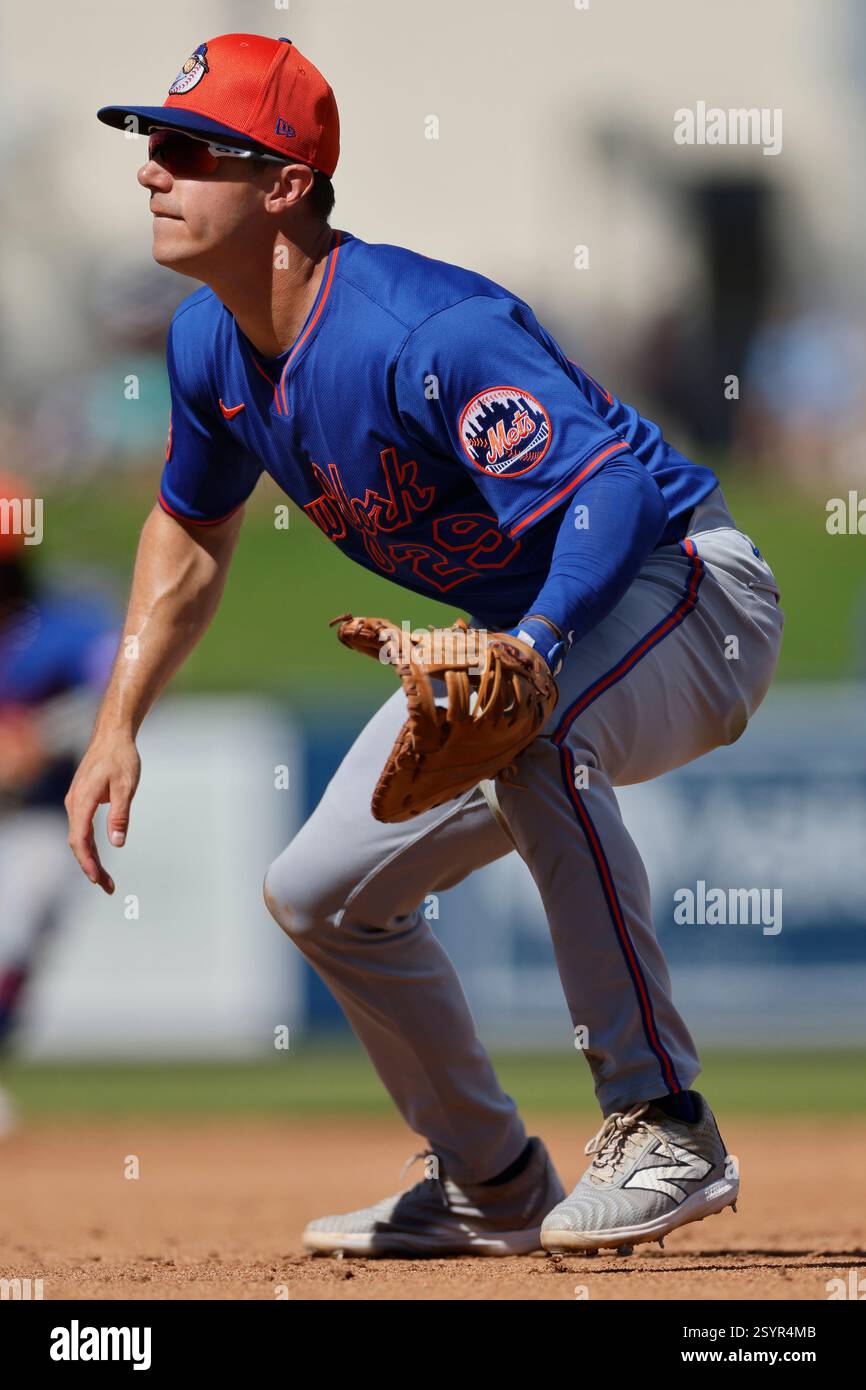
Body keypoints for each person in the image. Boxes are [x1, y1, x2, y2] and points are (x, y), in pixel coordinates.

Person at [68, 33, 784, 1255]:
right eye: (150, 145)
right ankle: (488, 1179)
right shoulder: (208, 346)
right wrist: (117, 719)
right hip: (525, 620)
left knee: (535, 730)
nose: (153, 170)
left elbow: (607, 495)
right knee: (318, 895)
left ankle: (664, 1119)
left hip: (687, 588)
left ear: (285, 182)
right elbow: (186, 539)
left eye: (188, 149)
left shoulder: (421, 329)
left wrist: (539, 647)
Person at [0, 472, 117, 1133]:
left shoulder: (61, 625)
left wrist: (41, 735)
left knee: (25, 903)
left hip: (33, 819)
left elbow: (127, 688)